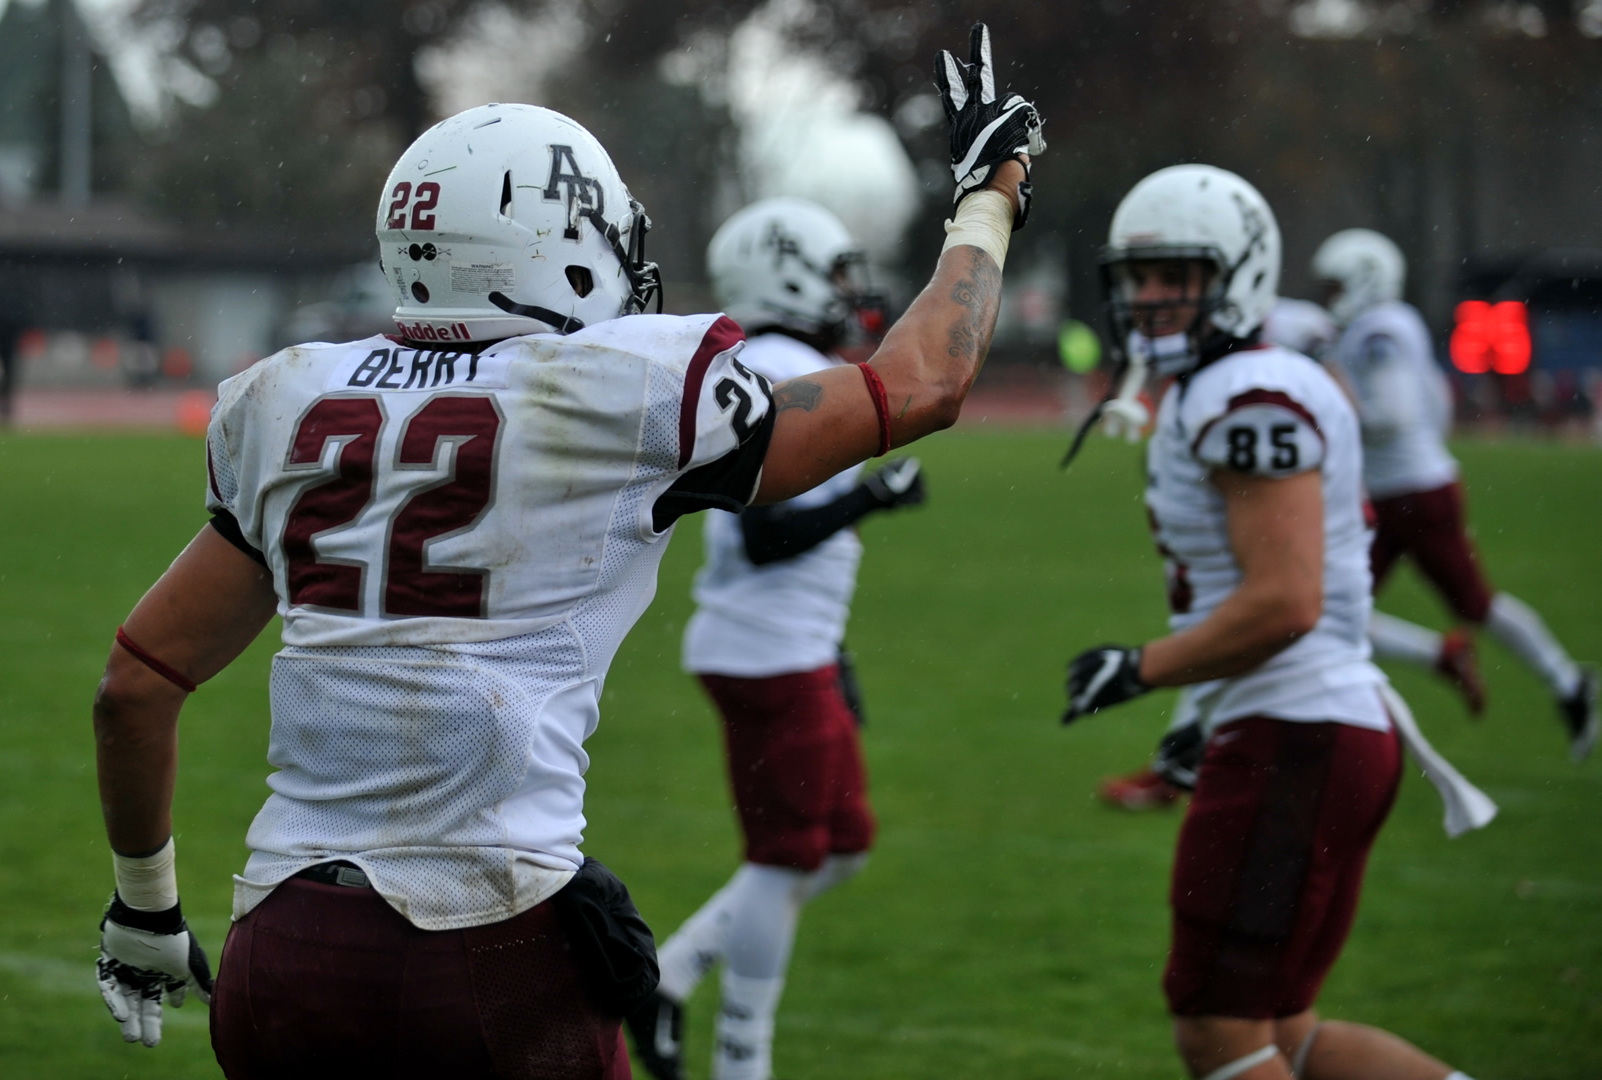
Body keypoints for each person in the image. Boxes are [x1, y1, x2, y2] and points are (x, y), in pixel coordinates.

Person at [88, 26, 1044, 1079]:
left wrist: (145, 906)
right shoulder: (612, 390)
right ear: (562, 244)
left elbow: (138, 683)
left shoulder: (289, 398)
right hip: (485, 949)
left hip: (284, 952)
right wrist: (986, 200)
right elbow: (918, 385)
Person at [1060, 164, 1490, 1080]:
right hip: (1316, 729)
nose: (1150, 300)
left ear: (1239, 272)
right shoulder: (1250, 379)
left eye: (1174, 276)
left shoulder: (1244, 391)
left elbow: (1285, 599)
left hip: (1297, 734)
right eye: (1137, 279)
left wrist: (1140, 668)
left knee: (1219, 1032)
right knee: (1285, 1032)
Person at [628, 198, 925, 1080]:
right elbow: (764, 536)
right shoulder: (786, 364)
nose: (848, 293)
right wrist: (874, 498)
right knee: (787, 857)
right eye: (836, 273)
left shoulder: (765, 361)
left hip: (785, 644)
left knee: (841, 845)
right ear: (787, 269)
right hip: (768, 650)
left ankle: (669, 976)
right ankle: (740, 1059)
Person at [1093, 294, 1486, 811]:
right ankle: (1436, 655)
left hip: (1290, 491)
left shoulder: (1287, 328)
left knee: (1253, 611)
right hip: (1299, 485)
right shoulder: (1265, 322)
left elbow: (1339, 396)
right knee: (1281, 612)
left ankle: (1175, 764)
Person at [1312, 228, 1596, 758]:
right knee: (1333, 609)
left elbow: (1391, 414)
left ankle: (1564, 682)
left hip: (1409, 495)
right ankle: (1464, 662)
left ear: (1362, 280)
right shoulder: (1393, 324)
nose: (1328, 295)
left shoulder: (1378, 332)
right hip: (1410, 487)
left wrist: (1330, 401)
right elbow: (1436, 403)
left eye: (1334, 284)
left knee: (1459, 605)